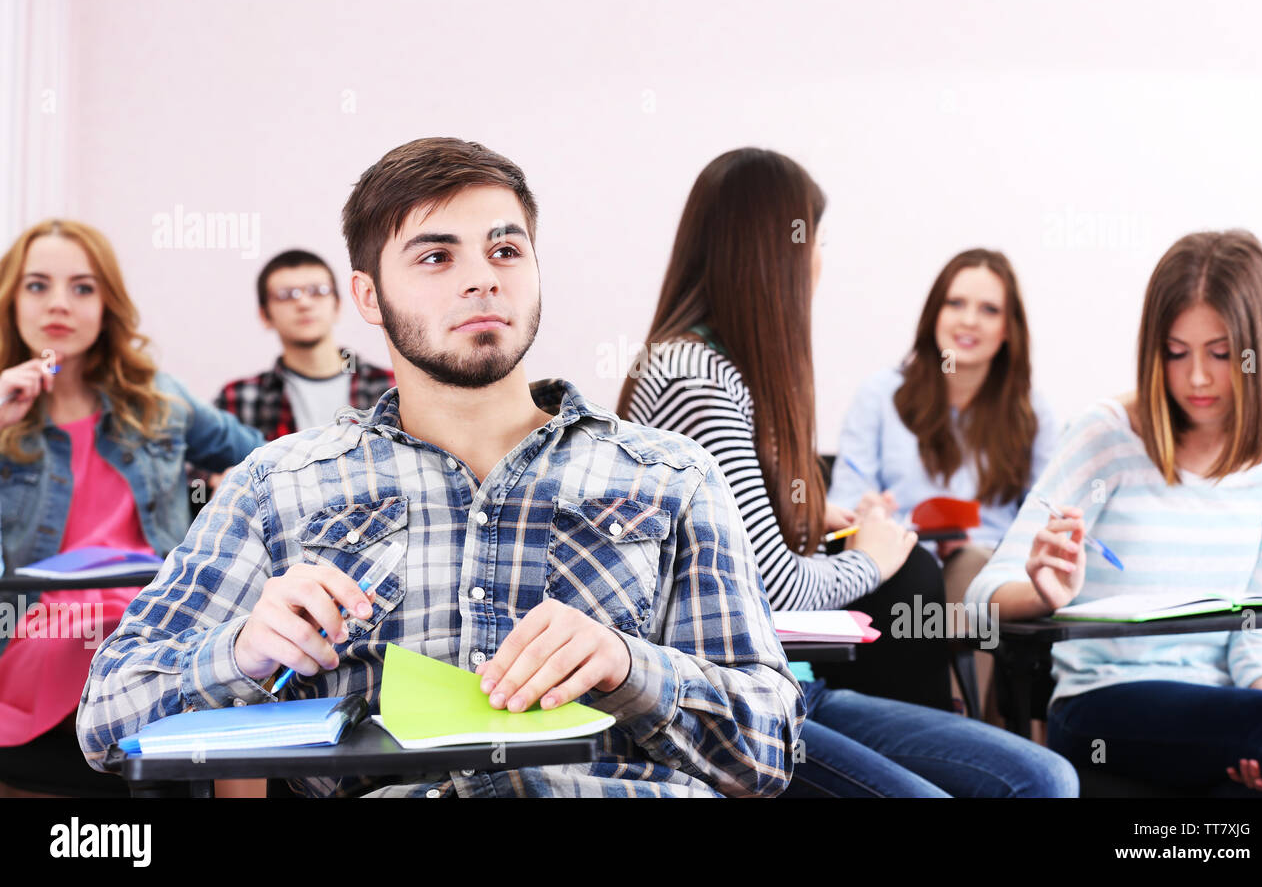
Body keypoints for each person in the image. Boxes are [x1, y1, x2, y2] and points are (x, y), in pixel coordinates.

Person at [78, 137, 803, 798]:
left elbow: (770, 750)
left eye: (506, 252)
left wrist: (629, 665)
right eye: (436, 257)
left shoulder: (672, 475)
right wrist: (241, 650)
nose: (482, 280)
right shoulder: (277, 485)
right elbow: (106, 718)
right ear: (369, 297)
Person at [618, 147, 1077, 796]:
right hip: (731, 705)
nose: (819, 260)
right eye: (813, 240)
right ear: (772, 252)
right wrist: (872, 556)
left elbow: (736, 548)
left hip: (783, 684)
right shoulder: (700, 381)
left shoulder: (714, 371)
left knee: (1045, 775)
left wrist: (803, 515)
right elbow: (771, 587)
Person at [966, 229, 1262, 796]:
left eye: (1220, 353)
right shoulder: (1109, 436)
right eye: (1176, 352)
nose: (1197, 377)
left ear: (1257, 350)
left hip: (1221, 716)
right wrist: (1044, 592)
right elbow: (981, 597)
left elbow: (1258, 638)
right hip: (1101, 705)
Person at [0, 219, 262, 794]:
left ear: (106, 304)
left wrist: (230, 495)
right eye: (38, 285)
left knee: (233, 657)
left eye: (83, 287)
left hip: (155, 617)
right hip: (40, 629)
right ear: (12, 298)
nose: (59, 305)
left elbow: (264, 463)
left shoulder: (159, 399)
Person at [827, 249, 1057, 719]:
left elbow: (1045, 517)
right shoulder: (881, 395)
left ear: (1009, 329)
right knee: (924, 572)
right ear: (935, 312)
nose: (968, 320)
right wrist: (871, 511)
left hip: (988, 573)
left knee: (975, 563)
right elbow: (845, 504)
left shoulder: (1033, 413)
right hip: (897, 573)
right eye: (956, 303)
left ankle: (953, 714)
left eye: (989, 309)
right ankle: (961, 721)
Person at [215, 248, 395, 442]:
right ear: (264, 315)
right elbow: (199, 469)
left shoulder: (390, 386)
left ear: (338, 306)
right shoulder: (239, 397)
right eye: (286, 295)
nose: (304, 303)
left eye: (318, 291)